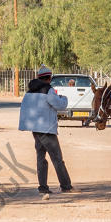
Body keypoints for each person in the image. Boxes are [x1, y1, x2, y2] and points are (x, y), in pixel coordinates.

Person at [19, 64, 73, 197]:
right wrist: (64, 98)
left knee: (41, 158)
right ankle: (66, 186)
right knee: (57, 158)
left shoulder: (29, 92)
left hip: (35, 129)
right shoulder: (48, 90)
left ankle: (43, 187)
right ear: (49, 78)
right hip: (46, 130)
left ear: (38, 77)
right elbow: (59, 105)